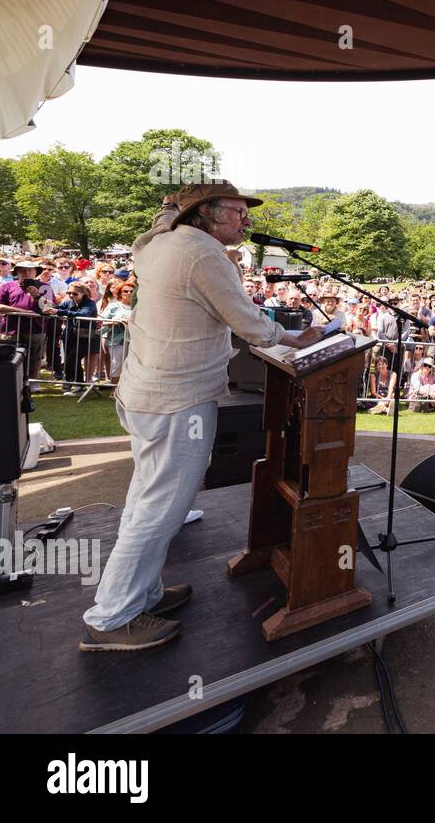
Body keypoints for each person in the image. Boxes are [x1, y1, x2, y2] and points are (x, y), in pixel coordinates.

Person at [80, 183, 324, 652]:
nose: (245, 221)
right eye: (236, 212)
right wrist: (298, 338)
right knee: (160, 506)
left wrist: (171, 209)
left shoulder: (158, 242)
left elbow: (156, 225)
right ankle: (111, 616)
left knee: (147, 497)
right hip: (177, 398)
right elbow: (249, 323)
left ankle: (143, 594)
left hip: (146, 391)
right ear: (207, 215)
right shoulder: (204, 254)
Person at [0, 260, 54, 387]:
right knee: (10, 356)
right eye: (22, 270)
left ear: (36, 272)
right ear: (17, 272)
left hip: (36, 329)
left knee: (35, 357)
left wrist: (38, 297)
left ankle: (33, 383)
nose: (26, 272)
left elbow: (50, 308)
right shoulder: (7, 286)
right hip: (11, 329)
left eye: (30, 270)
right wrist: (22, 311)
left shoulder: (45, 287)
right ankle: (10, 383)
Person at [99, 279, 135, 383]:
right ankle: (114, 389)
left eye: (131, 291)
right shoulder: (113, 306)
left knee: (132, 367)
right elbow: (101, 322)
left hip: (135, 342)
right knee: (117, 365)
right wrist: (116, 321)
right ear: (120, 293)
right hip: (117, 341)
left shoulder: (139, 307)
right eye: (125, 291)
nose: (128, 293)